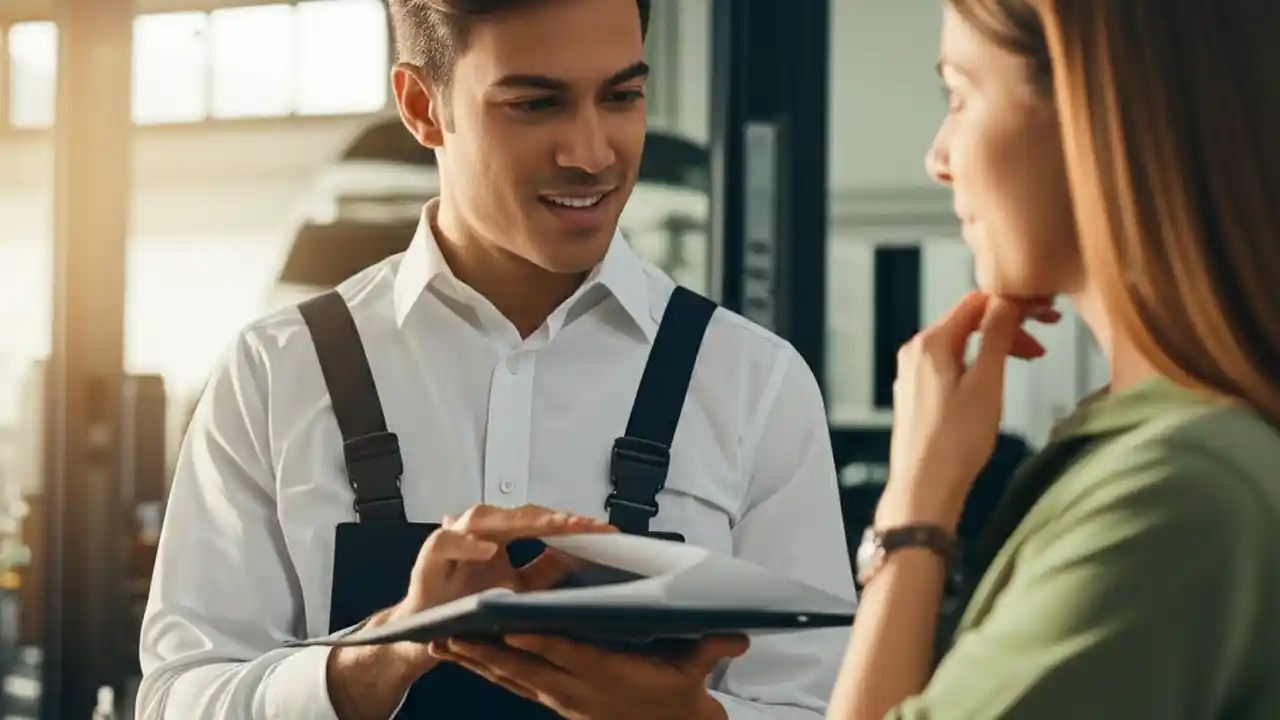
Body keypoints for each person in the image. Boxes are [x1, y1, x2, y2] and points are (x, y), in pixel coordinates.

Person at [136, 0, 855, 719]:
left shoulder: (754, 384)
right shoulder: (275, 374)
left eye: (621, 96)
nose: (592, 153)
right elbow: (179, 699)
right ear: (422, 105)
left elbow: (822, 706)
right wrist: (378, 658)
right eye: (536, 104)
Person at [827, 0, 1280, 717]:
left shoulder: (1176, 497)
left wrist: (915, 509)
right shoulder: (1162, 457)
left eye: (959, 95)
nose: (937, 158)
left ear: (1092, 114)